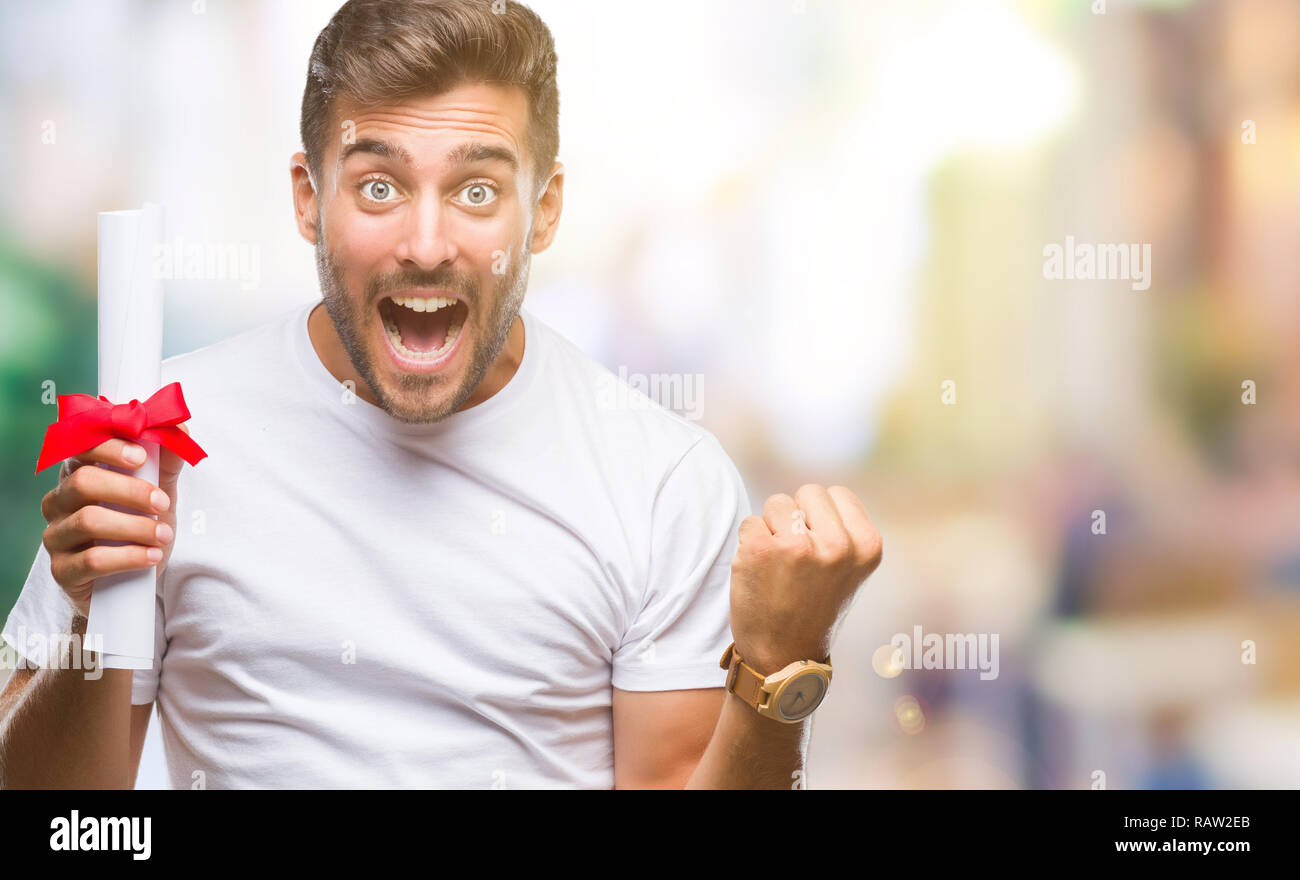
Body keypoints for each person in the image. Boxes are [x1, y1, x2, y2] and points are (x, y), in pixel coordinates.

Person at [0, 0, 881, 789]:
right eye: (379, 185)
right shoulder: (159, 430)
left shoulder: (661, 481)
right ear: (309, 199)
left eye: (477, 189)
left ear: (543, 210)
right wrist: (93, 617)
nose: (427, 244)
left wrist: (777, 664)